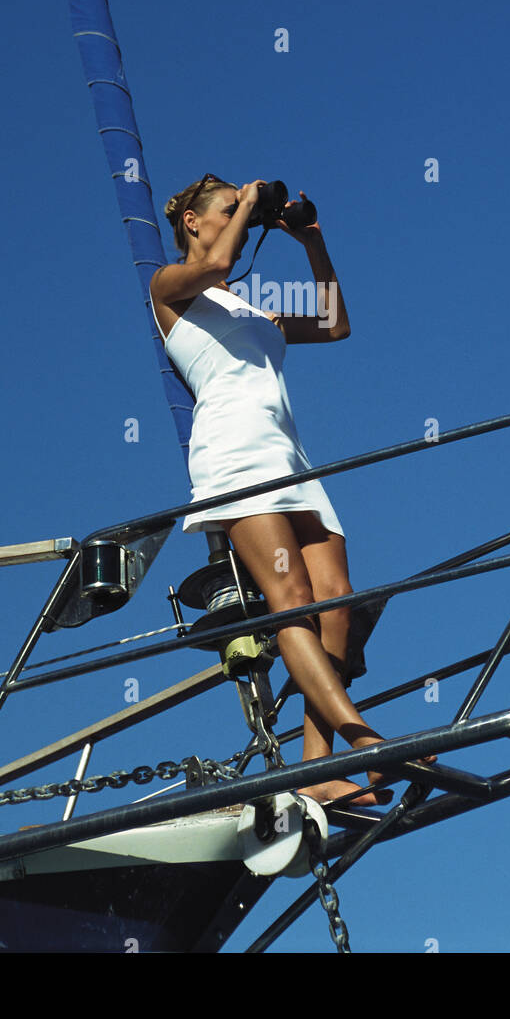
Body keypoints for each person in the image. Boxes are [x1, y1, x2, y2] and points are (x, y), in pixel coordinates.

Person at [149, 174, 433, 807]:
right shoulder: (170, 288)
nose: (241, 219)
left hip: (291, 459)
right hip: (235, 454)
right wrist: (250, 202)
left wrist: (309, 243)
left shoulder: (250, 309)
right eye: (225, 210)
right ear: (193, 223)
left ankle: (318, 767)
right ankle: (369, 745)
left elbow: (335, 325)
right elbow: (219, 261)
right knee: (290, 600)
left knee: (336, 599)